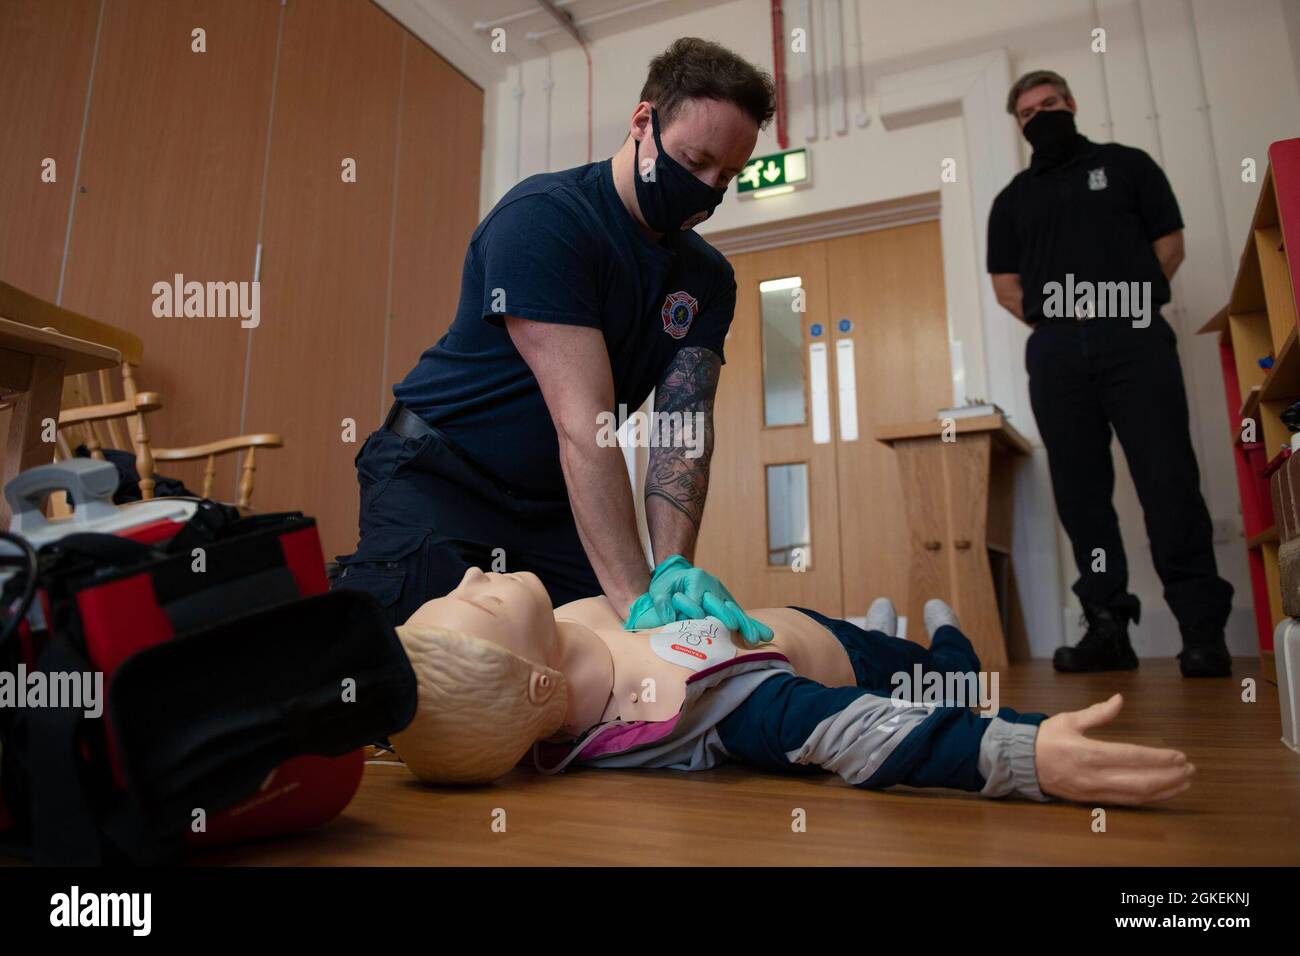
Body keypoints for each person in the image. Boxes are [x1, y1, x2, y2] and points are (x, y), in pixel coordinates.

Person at [333, 39, 775, 642]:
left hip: (554, 501)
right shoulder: (547, 220)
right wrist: (636, 601)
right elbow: (583, 426)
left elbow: (682, 427)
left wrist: (670, 567)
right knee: (425, 674)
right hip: (441, 477)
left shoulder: (707, 279)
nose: (706, 189)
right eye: (693, 161)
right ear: (643, 122)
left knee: (599, 676)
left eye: (726, 175)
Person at [389, 567, 1195, 806]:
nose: (466, 573)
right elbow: (853, 731)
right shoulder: (696, 709)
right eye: (476, 602)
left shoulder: (557, 620)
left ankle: (883, 609)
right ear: (535, 690)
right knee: (948, 675)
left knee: (868, 619)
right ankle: (946, 626)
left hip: (789, 618)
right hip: (848, 664)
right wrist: (1023, 752)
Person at [987, 69, 1233, 677]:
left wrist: (1120, 306)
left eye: (1049, 105)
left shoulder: (1128, 165)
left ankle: (1202, 630)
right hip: (1057, 354)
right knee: (1082, 495)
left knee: (1168, 479)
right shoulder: (1012, 199)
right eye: (1027, 114)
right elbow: (1007, 288)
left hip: (1136, 339)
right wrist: (1068, 321)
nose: (1040, 117)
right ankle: (1107, 626)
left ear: (1071, 104)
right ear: (1019, 126)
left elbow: (1169, 244)